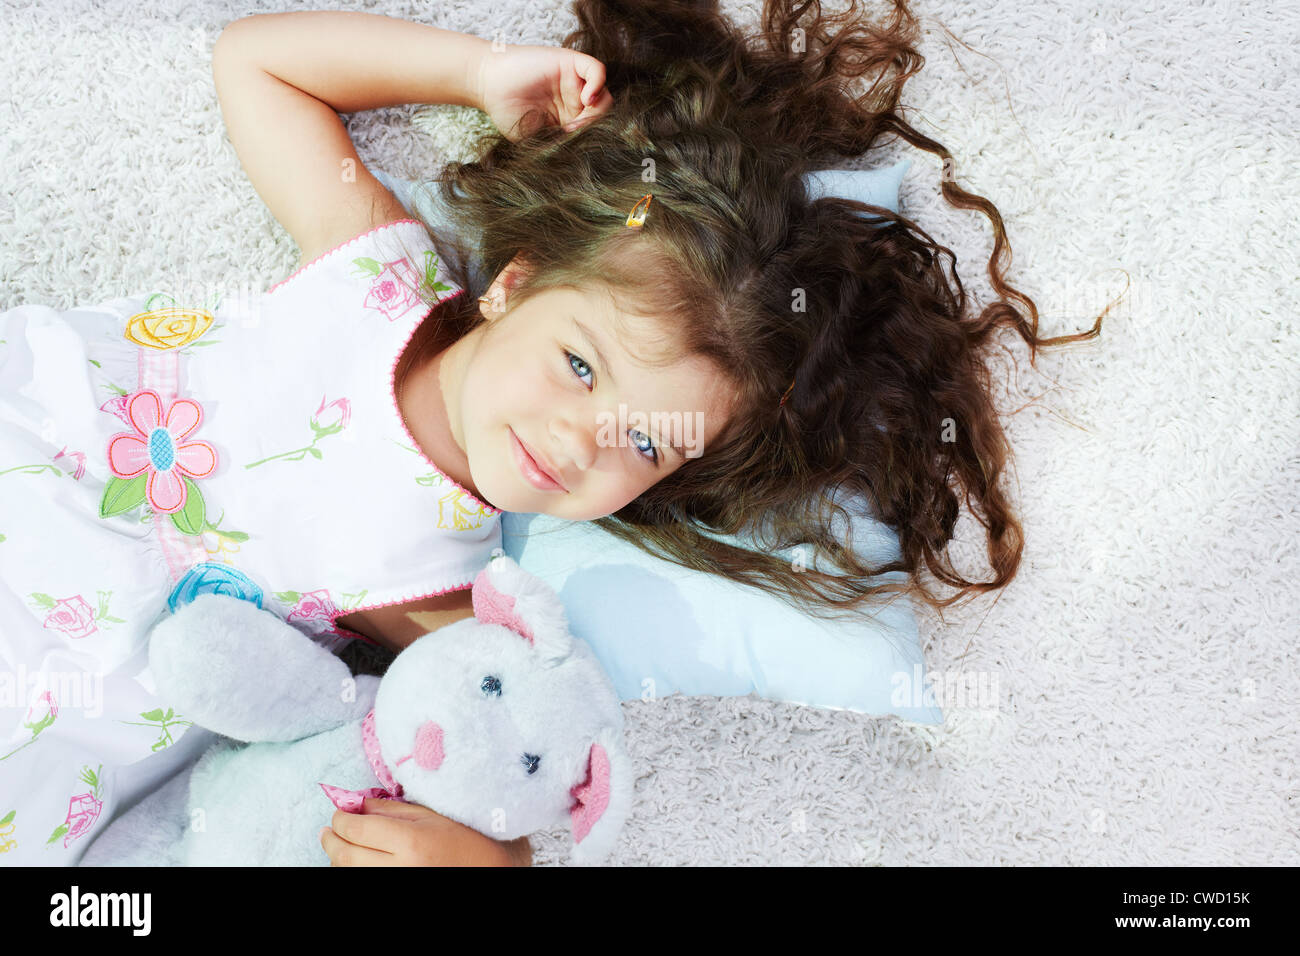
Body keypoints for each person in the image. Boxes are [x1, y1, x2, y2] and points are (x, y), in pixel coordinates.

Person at [0, 0, 1101, 867]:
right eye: (578, 364)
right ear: (511, 282)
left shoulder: (443, 592)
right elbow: (259, 63)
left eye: (644, 443)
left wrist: (496, 856)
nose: (579, 440)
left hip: (72, 661)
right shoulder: (375, 267)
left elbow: (479, 755)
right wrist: (475, 71)